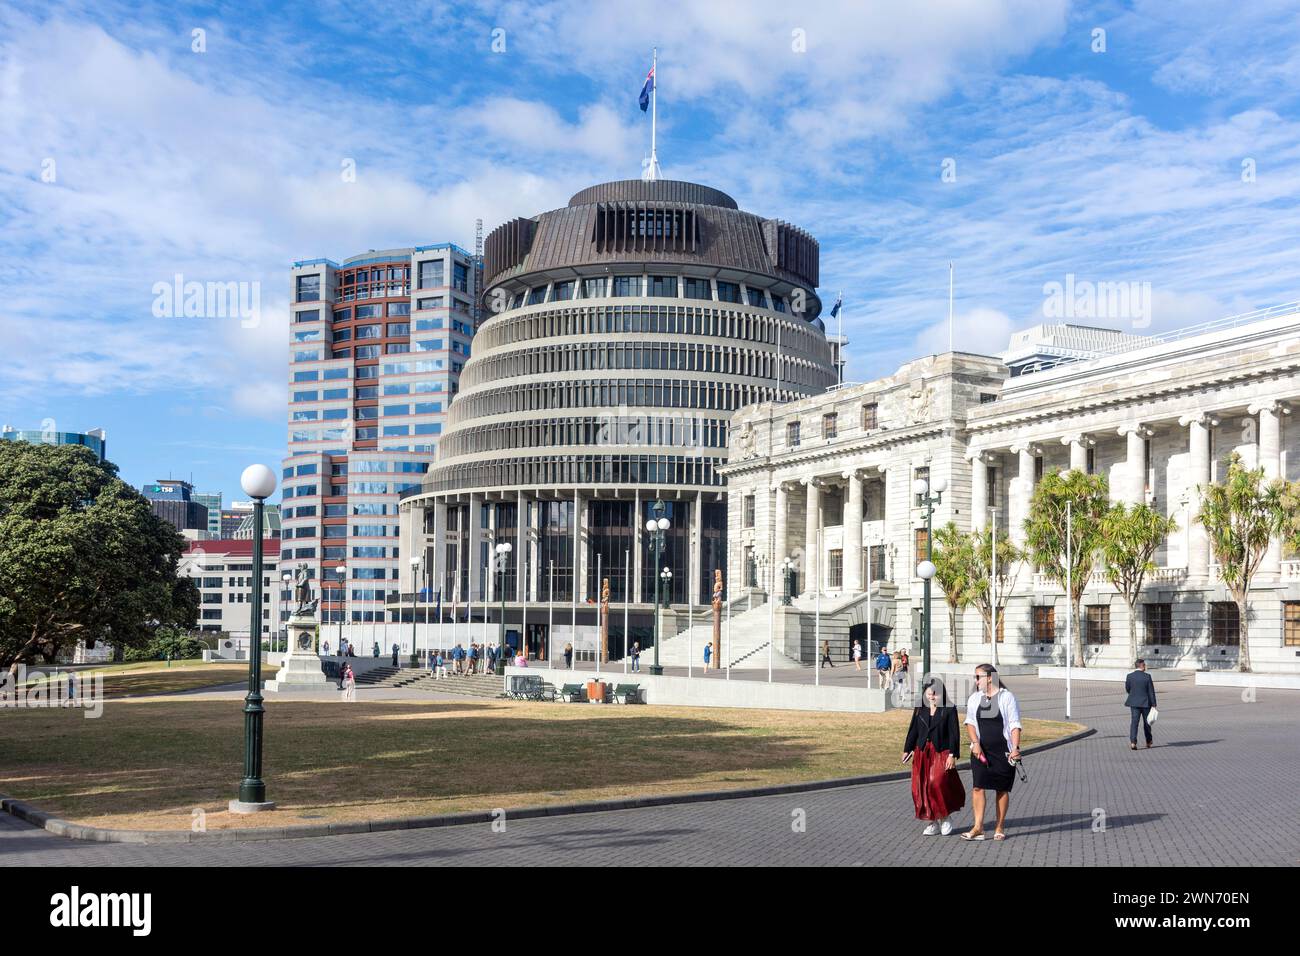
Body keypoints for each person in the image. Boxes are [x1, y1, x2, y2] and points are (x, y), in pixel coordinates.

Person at [961, 664, 1022, 842]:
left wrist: (1015, 748)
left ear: (990, 678)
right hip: (980, 750)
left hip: (1002, 751)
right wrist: (975, 743)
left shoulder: (1006, 697)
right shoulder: (974, 698)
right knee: (978, 786)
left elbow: (1014, 724)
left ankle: (999, 826)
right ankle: (978, 827)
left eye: (978, 677)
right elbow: (970, 722)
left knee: (1001, 789)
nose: (975, 680)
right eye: (975, 677)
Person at [903, 678, 965, 835]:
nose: (931, 697)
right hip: (922, 751)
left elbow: (954, 734)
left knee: (936, 782)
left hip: (941, 752)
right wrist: (907, 749)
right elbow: (913, 730)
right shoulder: (920, 708)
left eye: (935, 694)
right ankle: (932, 821)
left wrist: (952, 754)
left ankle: (945, 817)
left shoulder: (949, 709)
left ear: (942, 693)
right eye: (929, 694)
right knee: (922, 786)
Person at [1125, 658, 1158, 750]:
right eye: (1144, 665)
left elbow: (1128, 689)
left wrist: (1134, 695)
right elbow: (1151, 691)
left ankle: (1133, 742)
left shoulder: (1129, 676)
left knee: (1134, 723)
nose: (1145, 666)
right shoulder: (1147, 676)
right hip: (1145, 703)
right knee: (1147, 723)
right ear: (1141, 666)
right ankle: (1148, 741)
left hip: (1134, 703)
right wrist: (1154, 704)